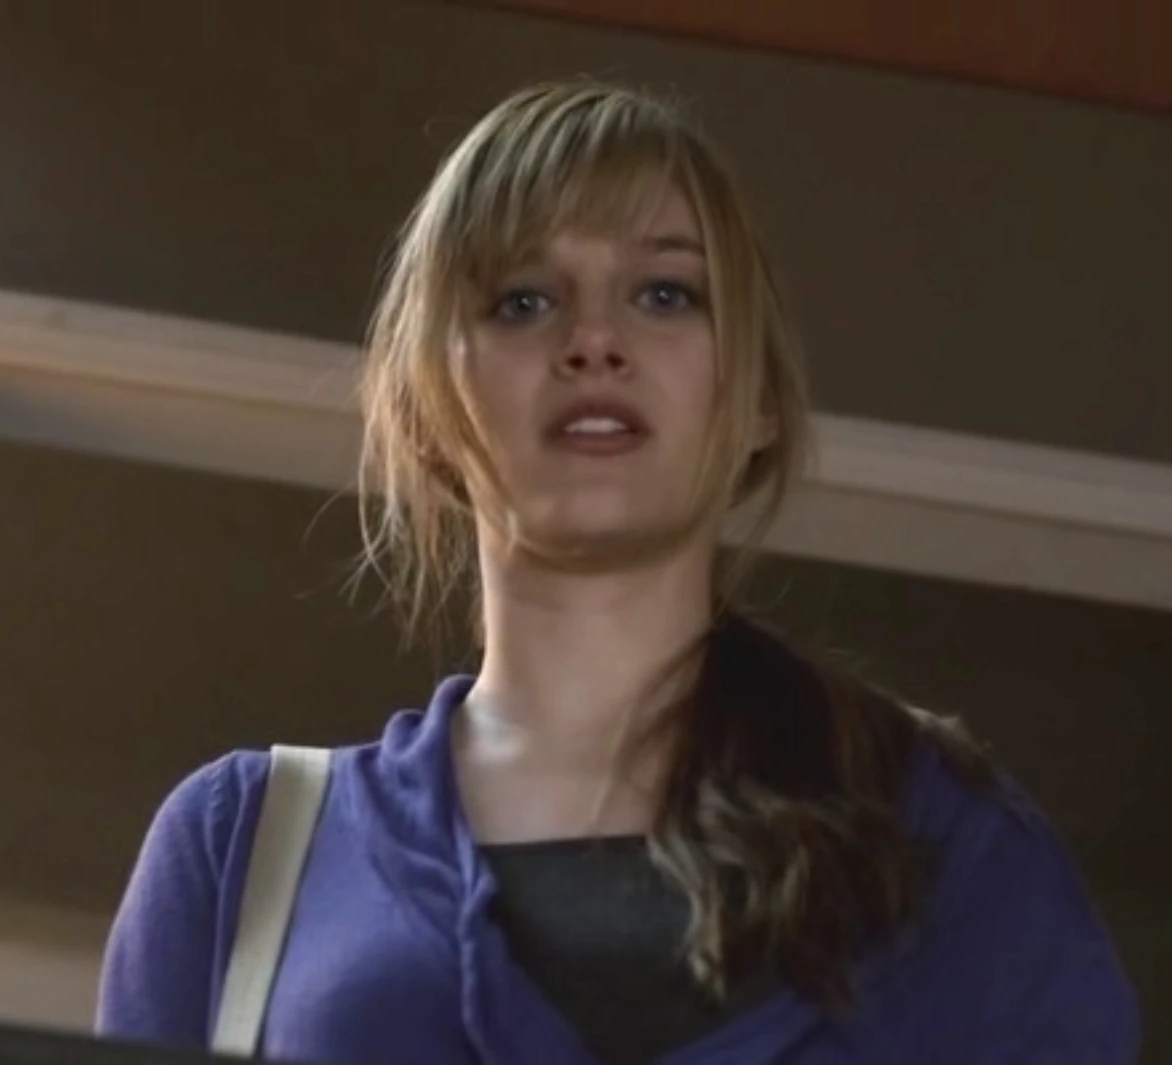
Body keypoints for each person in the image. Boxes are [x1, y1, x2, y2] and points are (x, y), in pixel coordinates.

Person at [95, 80, 1140, 1065]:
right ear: (422, 409)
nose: (593, 340)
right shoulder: (243, 851)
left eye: (664, 293)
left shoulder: (942, 837)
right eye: (521, 301)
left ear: (757, 400)